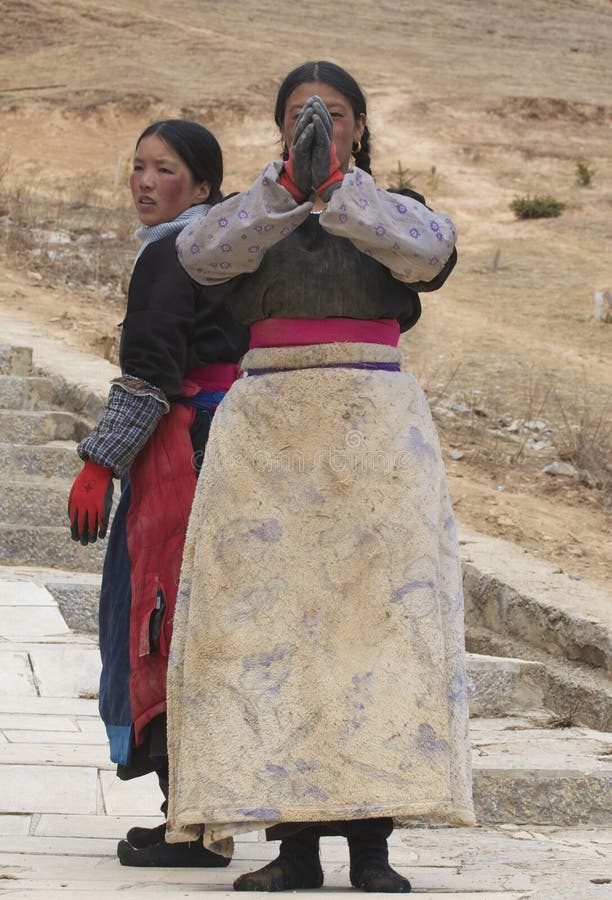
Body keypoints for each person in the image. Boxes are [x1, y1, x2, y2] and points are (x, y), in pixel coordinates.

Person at [167, 61, 475, 893]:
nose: (319, 125)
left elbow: (429, 254)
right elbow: (198, 256)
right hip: (268, 430)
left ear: (362, 126)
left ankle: (372, 849)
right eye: (303, 114)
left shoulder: (392, 209)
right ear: (277, 128)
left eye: (335, 114)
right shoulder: (248, 214)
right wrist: (284, 192)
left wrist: (339, 190)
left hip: (373, 433)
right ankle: (293, 849)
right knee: (273, 637)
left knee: (375, 631)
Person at [68, 119, 249, 868]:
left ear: (202, 187)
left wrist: (99, 461)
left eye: (164, 169)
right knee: (202, 626)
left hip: (185, 452)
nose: (144, 182)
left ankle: (195, 824)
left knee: (161, 621)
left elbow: (148, 376)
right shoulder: (229, 248)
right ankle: (201, 816)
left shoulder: (173, 255)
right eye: (137, 166)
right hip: (233, 442)